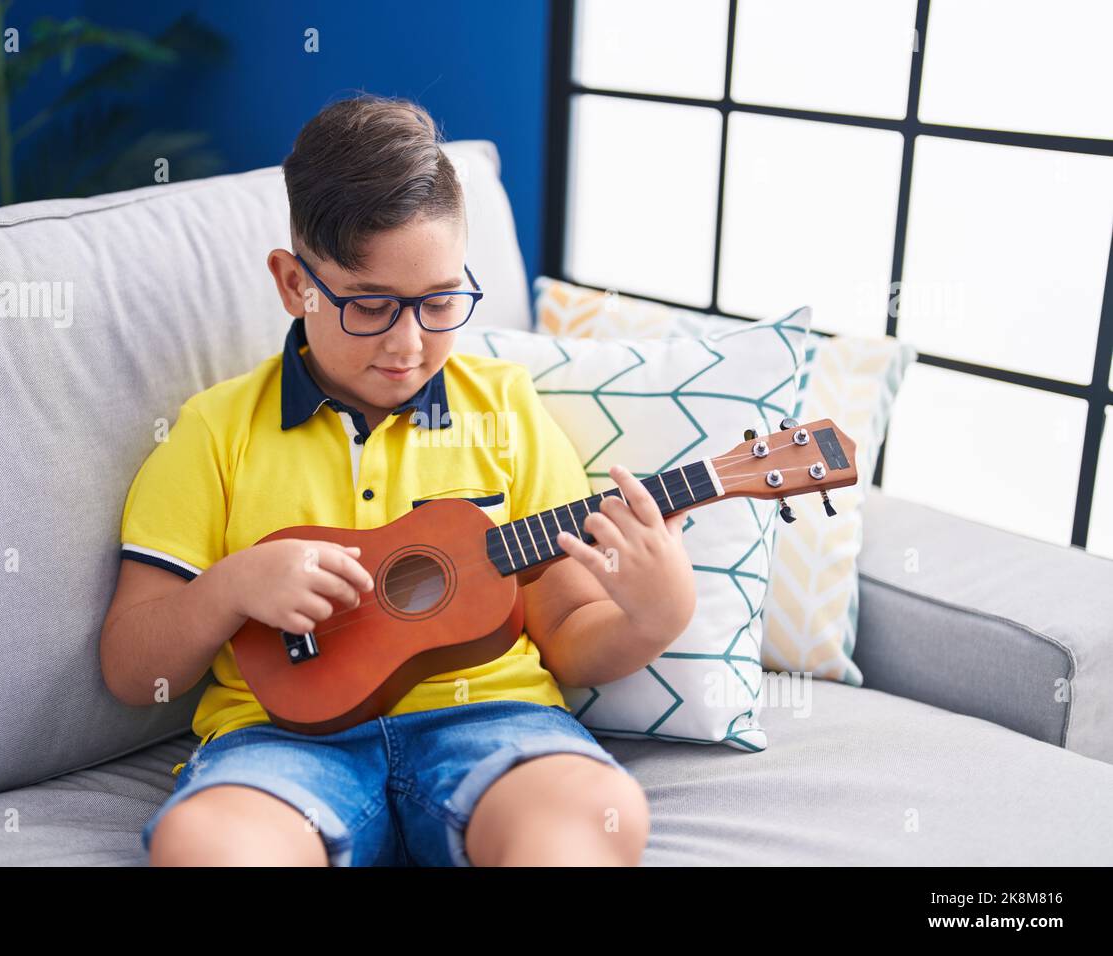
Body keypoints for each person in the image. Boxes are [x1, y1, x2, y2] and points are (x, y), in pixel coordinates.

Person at [101, 93, 696, 866]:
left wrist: (655, 615)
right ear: (293, 284)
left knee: (595, 812)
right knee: (203, 841)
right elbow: (130, 670)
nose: (408, 344)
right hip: (280, 743)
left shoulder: (506, 409)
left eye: (441, 301)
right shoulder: (216, 433)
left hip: (492, 721)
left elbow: (569, 639)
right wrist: (231, 588)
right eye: (371, 306)